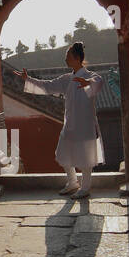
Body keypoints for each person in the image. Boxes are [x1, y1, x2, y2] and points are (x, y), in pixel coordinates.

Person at [20, 42, 105, 196]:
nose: (65, 60)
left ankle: (85, 188)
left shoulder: (90, 76)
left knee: (86, 157)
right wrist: (28, 79)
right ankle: (72, 183)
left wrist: (88, 83)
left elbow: (98, 83)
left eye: (68, 57)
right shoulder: (67, 78)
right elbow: (48, 86)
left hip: (86, 124)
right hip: (71, 123)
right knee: (63, 153)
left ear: (77, 58)